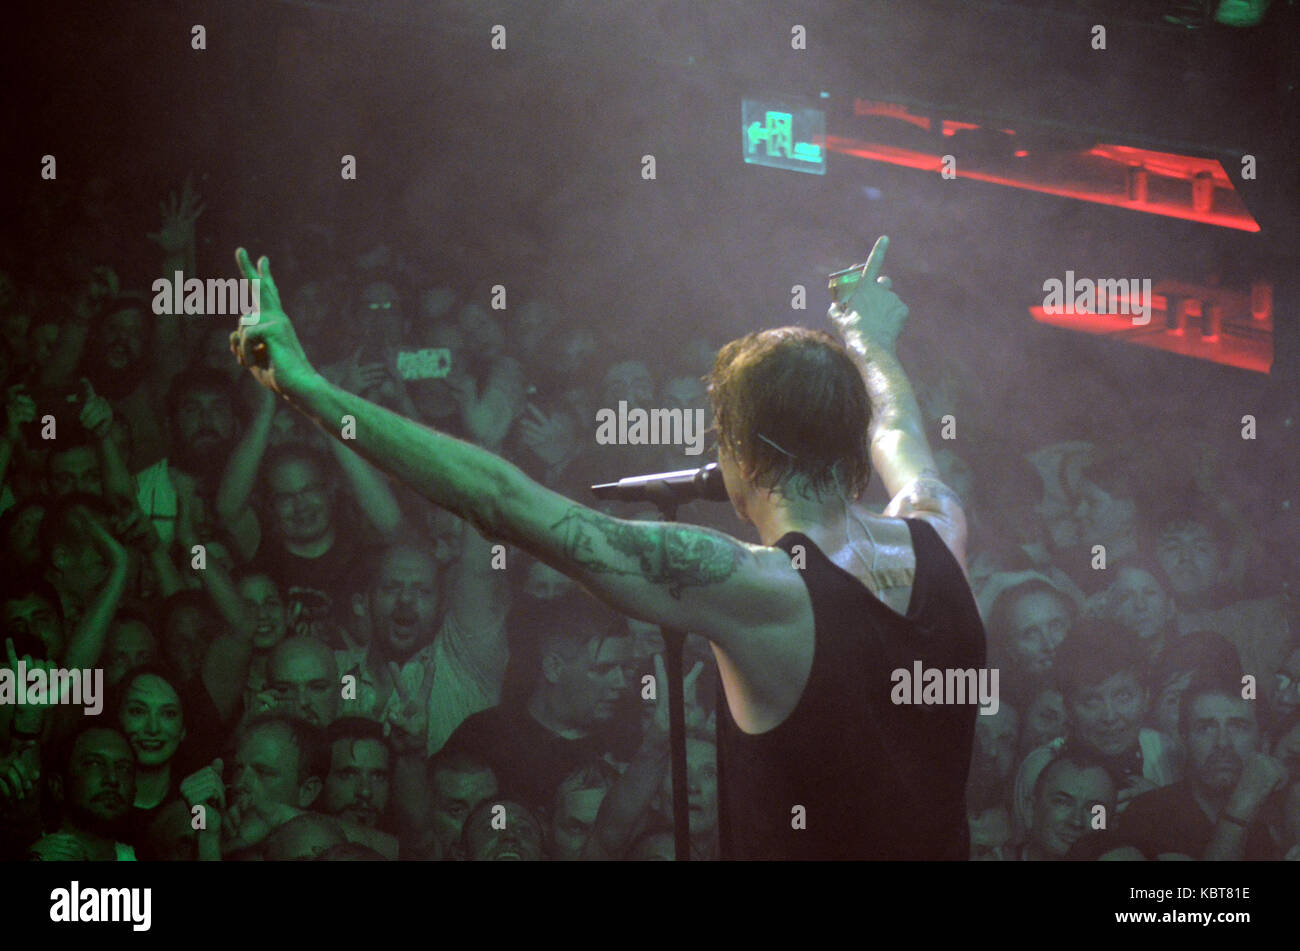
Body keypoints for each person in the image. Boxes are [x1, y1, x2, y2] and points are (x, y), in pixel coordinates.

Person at [226, 235, 984, 860]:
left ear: (741, 454)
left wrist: (310, 390)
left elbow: (499, 500)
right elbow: (897, 428)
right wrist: (870, 339)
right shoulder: (939, 530)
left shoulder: (764, 590)